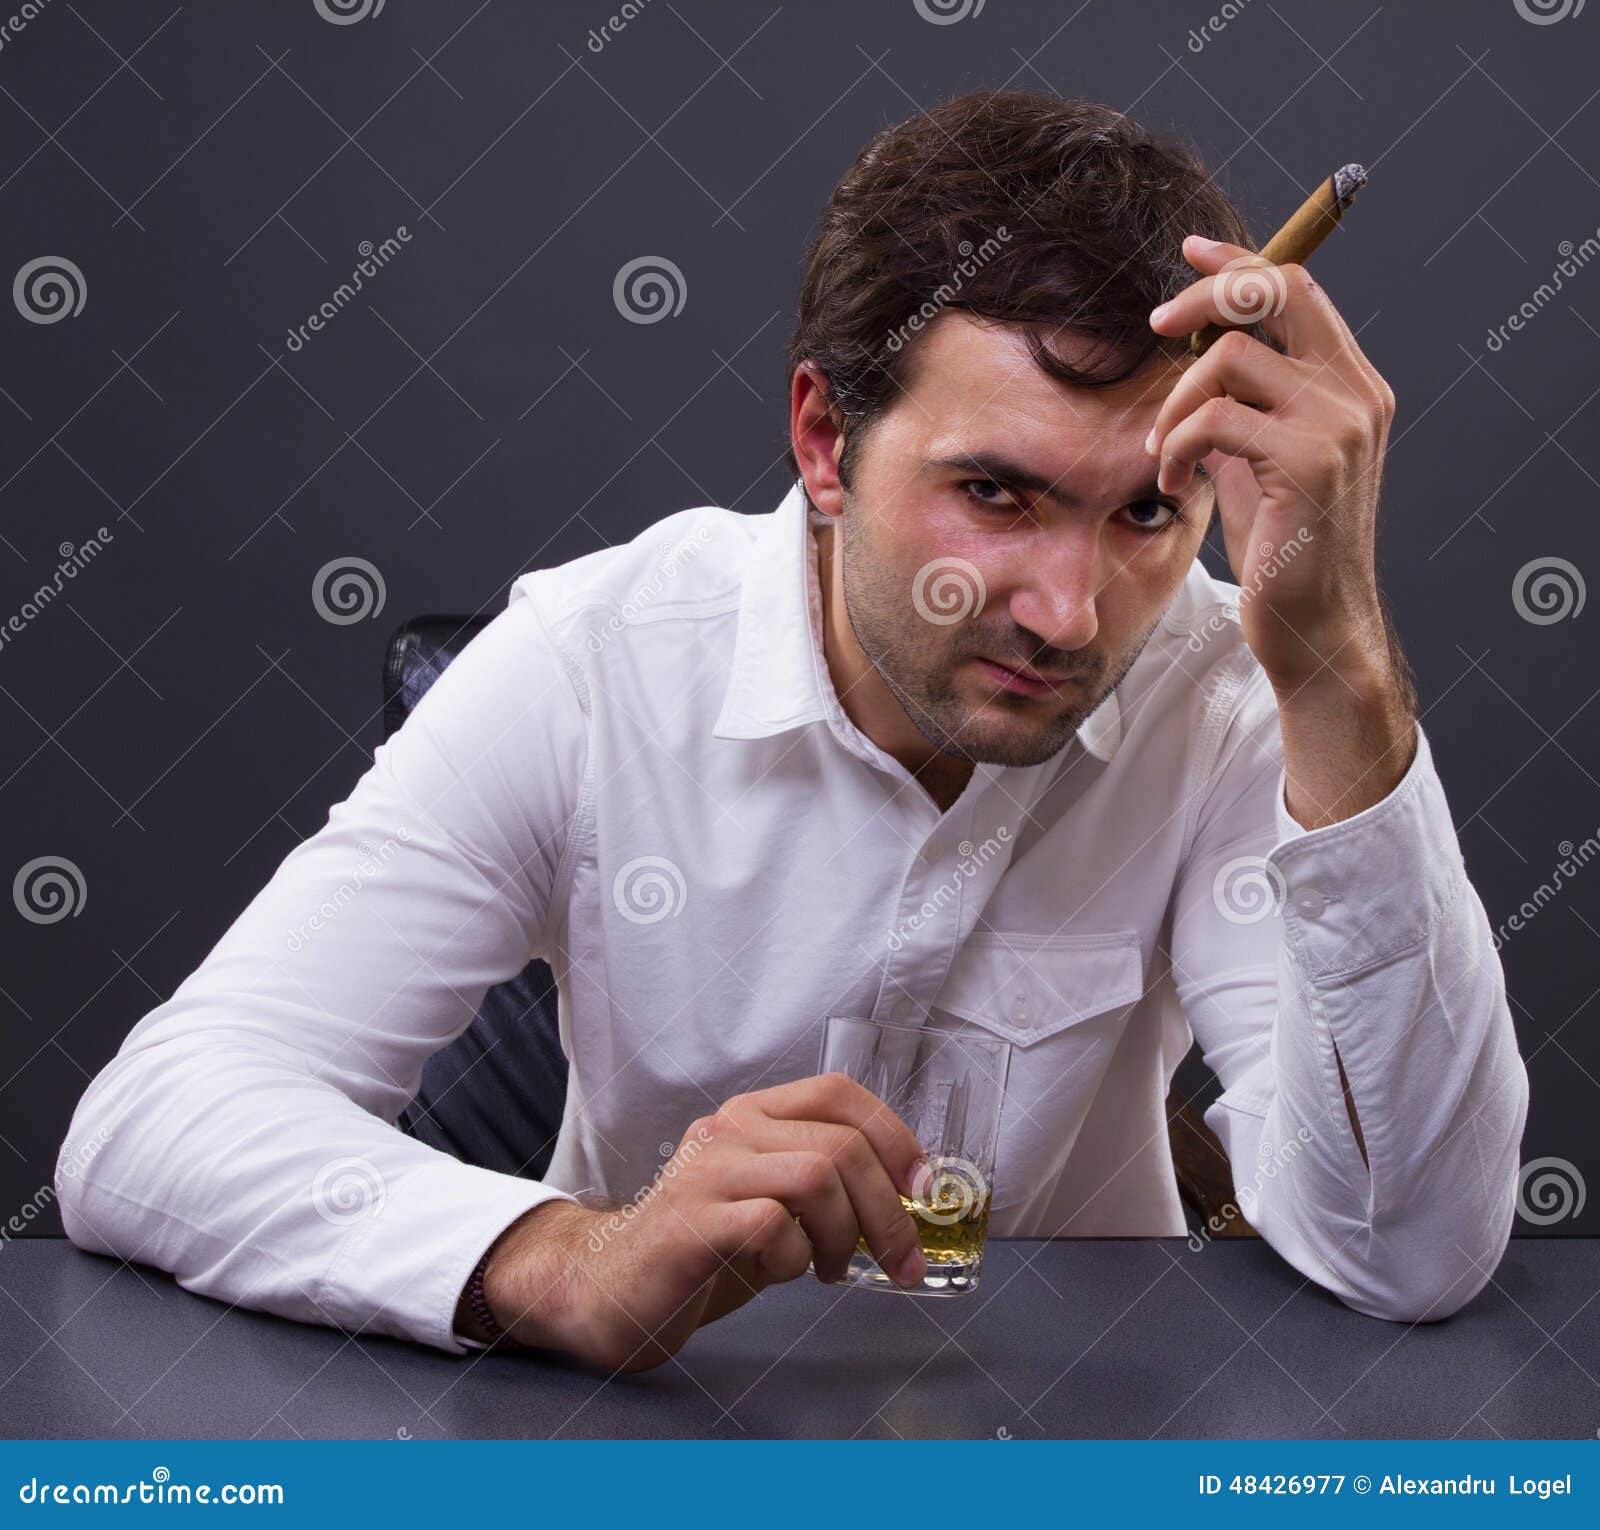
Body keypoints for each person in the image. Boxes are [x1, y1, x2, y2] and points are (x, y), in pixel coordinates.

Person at [57, 90, 1527, 1372]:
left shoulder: (1232, 693)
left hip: (1094, 1443)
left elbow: (1412, 1251)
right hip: (656, 1445)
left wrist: (1340, 671)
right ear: (825, 440)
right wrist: (568, 1260)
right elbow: (154, 1122)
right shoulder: (591, 666)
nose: (1071, 613)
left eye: (1148, 511)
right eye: (996, 493)